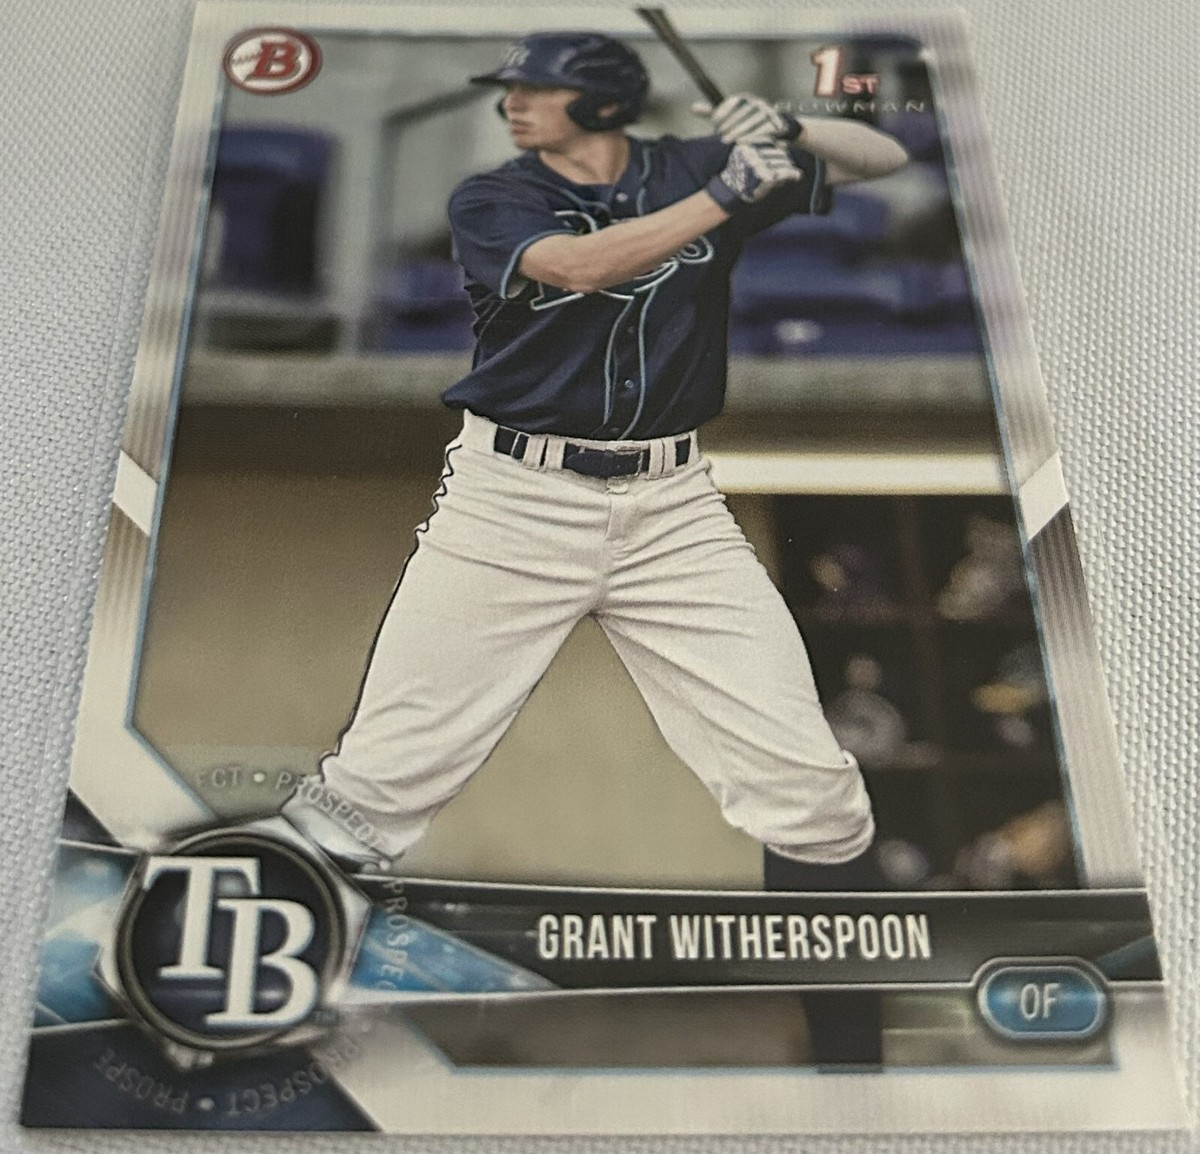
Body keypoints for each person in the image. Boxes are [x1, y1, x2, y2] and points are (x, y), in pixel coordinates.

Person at [284, 31, 909, 894]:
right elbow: (578, 266)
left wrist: (787, 128)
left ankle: (846, 961)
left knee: (808, 786)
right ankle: (279, 926)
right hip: (513, 500)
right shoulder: (495, 196)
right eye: (513, 89)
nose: (513, 102)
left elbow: (881, 156)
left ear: (605, 103)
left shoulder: (687, 164)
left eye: (536, 89)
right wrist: (726, 193)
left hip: (674, 507)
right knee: (373, 787)